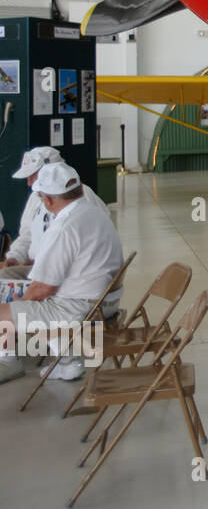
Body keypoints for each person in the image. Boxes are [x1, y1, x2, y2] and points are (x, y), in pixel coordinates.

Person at [0, 163, 124, 384]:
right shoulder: (93, 210)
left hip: (80, 306)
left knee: (4, 312)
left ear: (47, 199)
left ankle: (8, 362)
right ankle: (67, 360)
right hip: (104, 298)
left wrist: (21, 303)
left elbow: (43, 288)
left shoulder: (65, 226)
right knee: (15, 284)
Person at [4, 146, 108, 276]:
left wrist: (42, 263)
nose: (29, 183)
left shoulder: (82, 197)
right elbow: (27, 235)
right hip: (41, 267)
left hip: (69, 273)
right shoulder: (35, 197)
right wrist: (15, 257)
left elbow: (90, 246)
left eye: (33, 176)